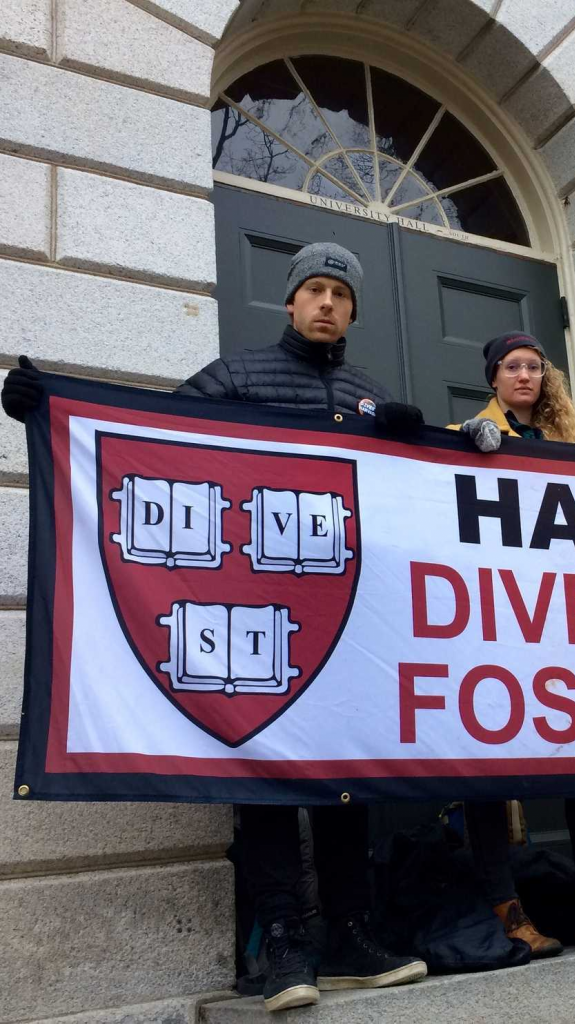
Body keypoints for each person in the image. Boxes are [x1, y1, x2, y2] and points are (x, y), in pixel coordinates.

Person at [2, 242, 429, 1012]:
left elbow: (407, 503)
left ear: (353, 311)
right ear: (292, 303)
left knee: (348, 784)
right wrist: (47, 409)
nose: (327, 303)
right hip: (254, 610)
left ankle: (349, 937)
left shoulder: (371, 392)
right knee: (262, 780)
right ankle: (284, 945)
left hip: (347, 623)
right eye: (315, 290)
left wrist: (412, 439)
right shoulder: (235, 375)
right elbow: (147, 439)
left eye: (340, 292)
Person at [448, 331, 575, 957]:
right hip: (496, 618)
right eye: (513, 366)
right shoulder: (465, 434)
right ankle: (505, 904)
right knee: (488, 764)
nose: (526, 376)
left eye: (535, 366)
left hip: (562, 621)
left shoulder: (572, 446)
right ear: (494, 377)